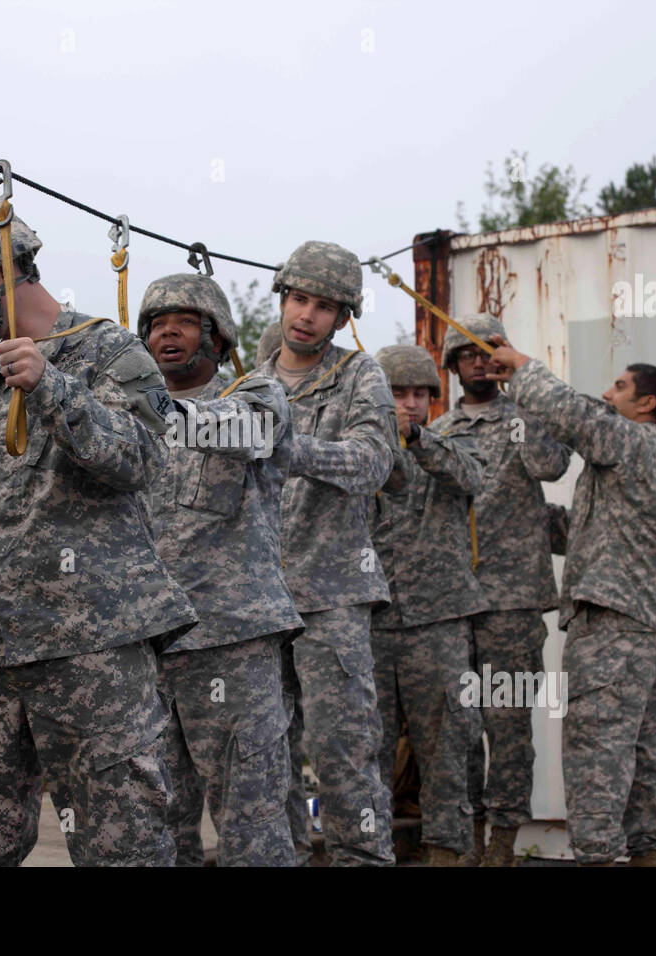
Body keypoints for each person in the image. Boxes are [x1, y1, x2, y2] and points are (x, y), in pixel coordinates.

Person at [0, 204, 196, 866]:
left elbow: (145, 460)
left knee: (121, 838)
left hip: (91, 648)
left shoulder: (112, 351)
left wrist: (54, 390)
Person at [486, 340, 656, 866]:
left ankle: (598, 857)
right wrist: (522, 514)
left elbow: (576, 415)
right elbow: (592, 534)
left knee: (595, 753)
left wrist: (523, 370)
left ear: (646, 404)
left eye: (620, 386)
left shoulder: (632, 442)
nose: (608, 393)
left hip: (612, 623)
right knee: (645, 754)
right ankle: (650, 856)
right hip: (651, 625)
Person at [140, 272, 302, 866]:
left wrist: (154, 408)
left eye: (183, 322)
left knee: (250, 822)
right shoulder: (131, 420)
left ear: (216, 336)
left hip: (232, 642)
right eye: (156, 325)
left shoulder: (258, 397)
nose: (167, 334)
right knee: (158, 822)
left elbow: (250, 432)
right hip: (149, 648)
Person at [255, 241, 402, 866]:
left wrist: (290, 446)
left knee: (344, 755)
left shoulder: (358, 376)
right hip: (256, 603)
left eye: (323, 307)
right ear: (284, 298)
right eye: (299, 299)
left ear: (343, 319)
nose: (307, 315)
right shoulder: (249, 384)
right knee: (267, 760)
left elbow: (373, 460)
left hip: (332, 598)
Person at [431, 313, 571, 865]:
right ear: (453, 365)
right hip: (450, 605)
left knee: (507, 729)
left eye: (489, 352)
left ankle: (504, 844)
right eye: (466, 354)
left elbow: (551, 465)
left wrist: (525, 392)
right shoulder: (439, 434)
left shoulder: (526, 419)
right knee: (455, 731)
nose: (478, 362)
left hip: (511, 603)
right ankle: (464, 843)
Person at [370, 345, 486, 865]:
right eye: (398, 393)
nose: (410, 404)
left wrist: (416, 439)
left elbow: (471, 478)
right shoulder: (358, 451)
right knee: (364, 753)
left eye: (420, 394)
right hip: (368, 621)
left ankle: (447, 855)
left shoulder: (450, 446)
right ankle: (369, 850)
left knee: (445, 752)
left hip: (437, 624)